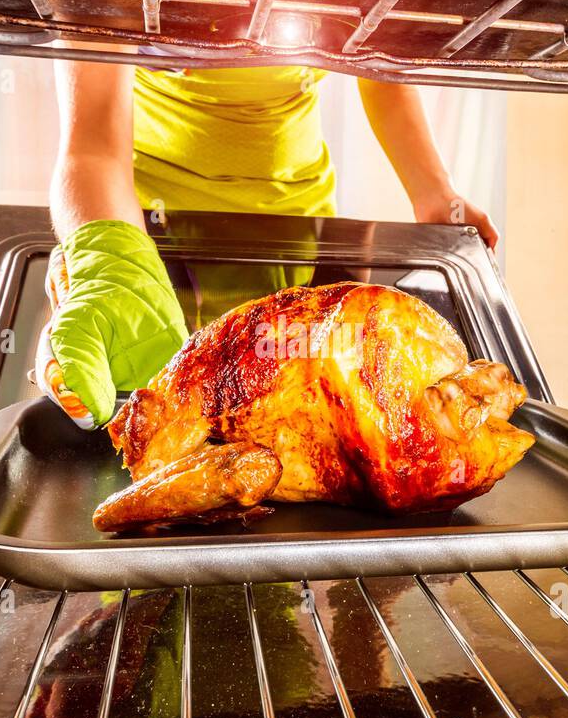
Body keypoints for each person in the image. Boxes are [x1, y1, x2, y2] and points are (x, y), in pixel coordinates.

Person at [36, 41, 497, 429]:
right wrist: (112, 264)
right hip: (147, 237)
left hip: (300, 235)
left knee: (311, 416)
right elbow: (91, 146)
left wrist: (434, 191)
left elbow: (378, 59)